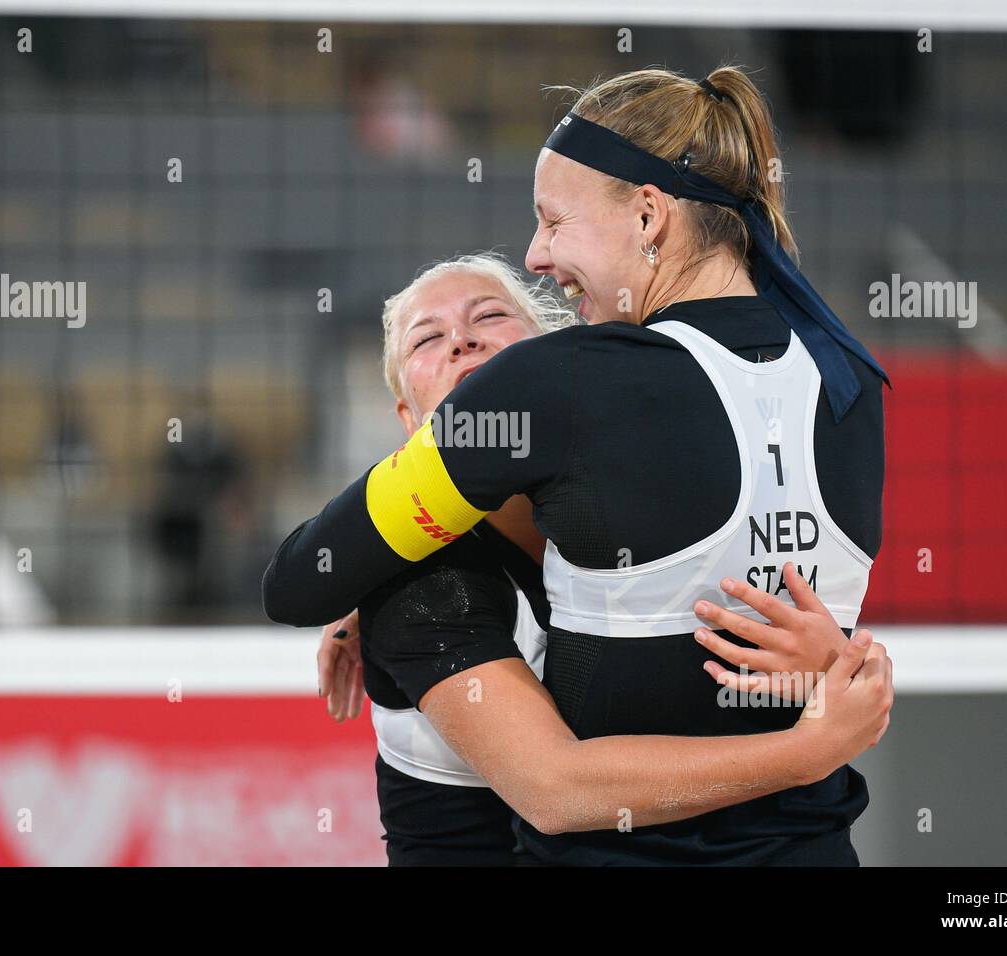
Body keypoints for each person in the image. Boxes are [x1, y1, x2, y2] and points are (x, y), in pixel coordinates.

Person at [265, 66, 890, 865]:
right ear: (405, 417)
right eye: (426, 340)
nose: (537, 253)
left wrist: (365, 562)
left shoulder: (560, 385)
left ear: (647, 214)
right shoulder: (852, 376)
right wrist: (838, 676)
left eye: (553, 222)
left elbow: (296, 580)